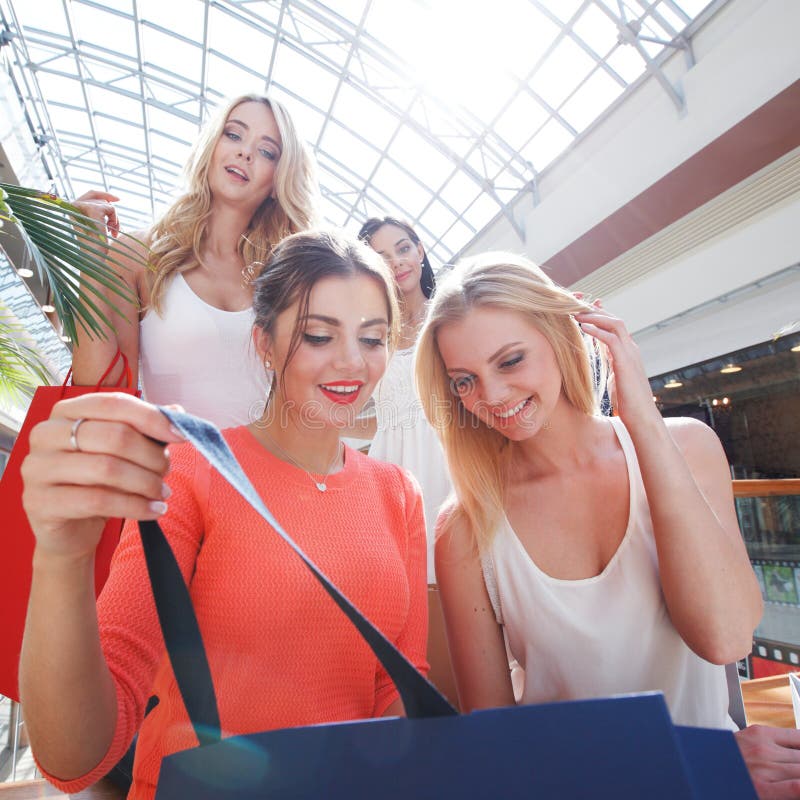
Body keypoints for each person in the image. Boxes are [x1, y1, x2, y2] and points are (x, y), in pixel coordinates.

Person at [19, 230, 428, 800]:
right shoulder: (193, 473)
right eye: (317, 335)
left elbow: (398, 685)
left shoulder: (398, 494)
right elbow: (75, 757)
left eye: (373, 338)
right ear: (263, 342)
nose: (352, 362)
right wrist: (61, 556)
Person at [414, 252, 800, 798]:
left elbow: (725, 636)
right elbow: (498, 749)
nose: (492, 397)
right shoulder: (465, 527)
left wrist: (641, 417)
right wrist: (688, 764)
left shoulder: (684, 446)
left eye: (510, 360)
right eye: (464, 381)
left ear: (560, 336)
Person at [71, 93, 318, 427]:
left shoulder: (286, 274)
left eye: (266, 151)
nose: (245, 152)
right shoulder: (141, 253)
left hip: (260, 473)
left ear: (277, 181)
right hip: (171, 471)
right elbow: (102, 388)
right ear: (212, 147)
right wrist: (90, 257)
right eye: (234, 134)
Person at [356, 217, 451, 583]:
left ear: (420, 250)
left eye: (403, 248)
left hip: (447, 455)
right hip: (392, 466)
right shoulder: (372, 332)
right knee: (404, 578)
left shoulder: (448, 313)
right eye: (382, 257)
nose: (397, 262)